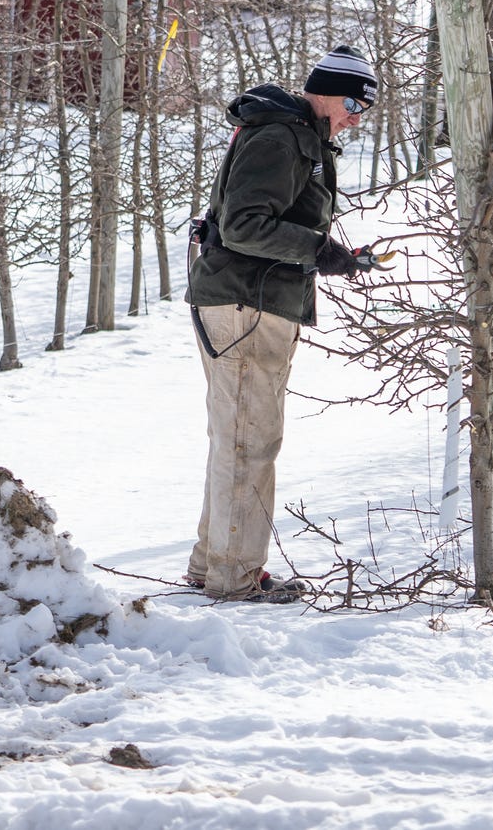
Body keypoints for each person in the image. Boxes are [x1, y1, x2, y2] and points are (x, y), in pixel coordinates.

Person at [183, 44, 387, 603]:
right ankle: (234, 576)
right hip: (246, 305)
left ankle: (215, 564)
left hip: (249, 302)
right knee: (249, 440)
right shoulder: (281, 137)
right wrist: (319, 250)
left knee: (236, 437)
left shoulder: (294, 136)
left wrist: (326, 254)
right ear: (324, 91)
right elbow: (247, 226)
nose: (355, 116)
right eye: (352, 103)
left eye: (362, 109)